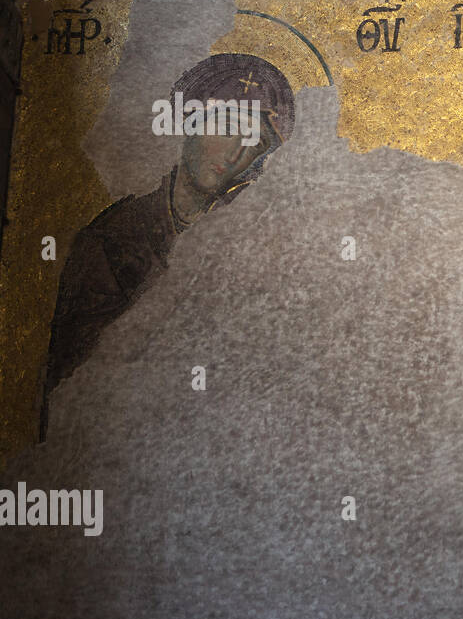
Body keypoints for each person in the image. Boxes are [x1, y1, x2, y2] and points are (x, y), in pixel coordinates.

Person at [41, 54, 294, 436]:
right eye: (226, 126)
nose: (234, 154)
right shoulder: (114, 238)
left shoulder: (246, 242)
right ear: (191, 124)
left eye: (254, 142)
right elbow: (72, 380)